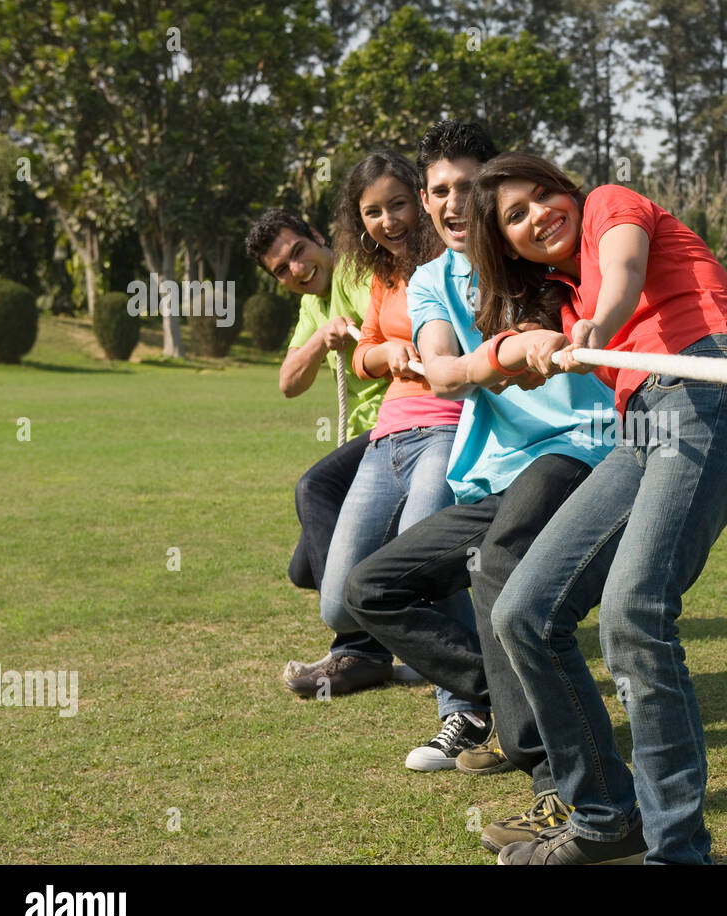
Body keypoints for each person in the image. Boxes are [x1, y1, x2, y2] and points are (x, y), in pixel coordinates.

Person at [466, 153, 727, 864]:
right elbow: (463, 374)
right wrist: (523, 340)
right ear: (507, 246)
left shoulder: (608, 204)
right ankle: (607, 818)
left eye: (543, 193)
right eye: (516, 215)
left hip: (708, 392)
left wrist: (596, 328)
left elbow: (627, 270)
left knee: (633, 613)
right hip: (644, 424)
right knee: (524, 611)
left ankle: (677, 852)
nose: (539, 212)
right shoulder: (560, 298)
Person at [340, 122, 615, 848]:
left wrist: (545, 336)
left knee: (500, 565)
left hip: (575, 451)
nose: (453, 203)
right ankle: (514, 690)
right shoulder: (430, 280)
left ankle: (556, 783)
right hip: (492, 474)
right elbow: (439, 360)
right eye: (439, 191)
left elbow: (576, 306)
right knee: (371, 589)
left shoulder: (532, 260)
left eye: (468, 187)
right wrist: (481, 356)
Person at [319, 150, 492, 766]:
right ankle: (444, 659)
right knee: (338, 601)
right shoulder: (386, 275)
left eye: (397, 204)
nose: (389, 221)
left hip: (448, 429)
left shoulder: (459, 262)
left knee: (427, 568)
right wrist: (389, 351)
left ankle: (466, 711)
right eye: (373, 211)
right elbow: (363, 352)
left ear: (418, 201)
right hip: (388, 435)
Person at [245, 209, 398, 697]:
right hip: (364, 439)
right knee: (306, 569)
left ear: (316, 237)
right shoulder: (311, 307)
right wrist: (320, 337)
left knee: (315, 487)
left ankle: (360, 648)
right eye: (281, 270)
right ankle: (385, 621)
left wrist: (352, 332)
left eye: (298, 252)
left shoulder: (355, 270)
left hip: (398, 425)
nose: (296, 269)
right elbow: (289, 382)